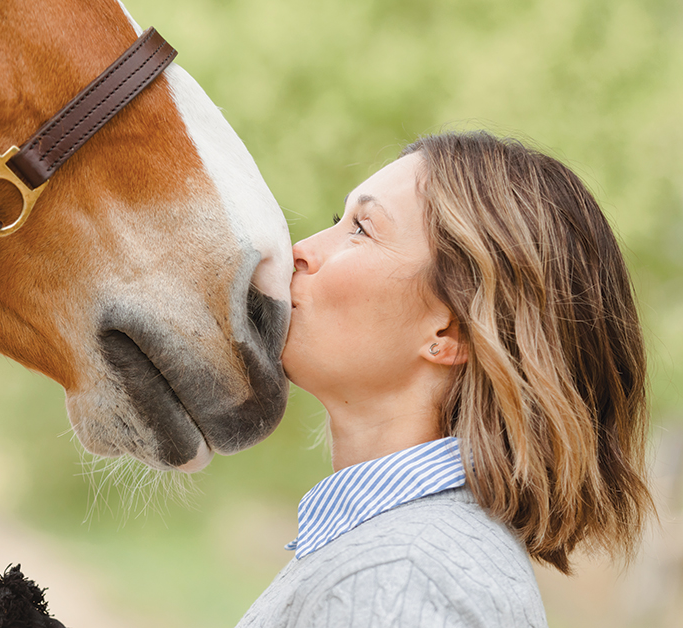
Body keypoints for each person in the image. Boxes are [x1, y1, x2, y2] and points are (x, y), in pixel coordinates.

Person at [237, 130, 654, 627]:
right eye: (338, 221)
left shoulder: (396, 581)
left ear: (451, 329)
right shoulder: (394, 555)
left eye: (362, 229)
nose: (300, 251)